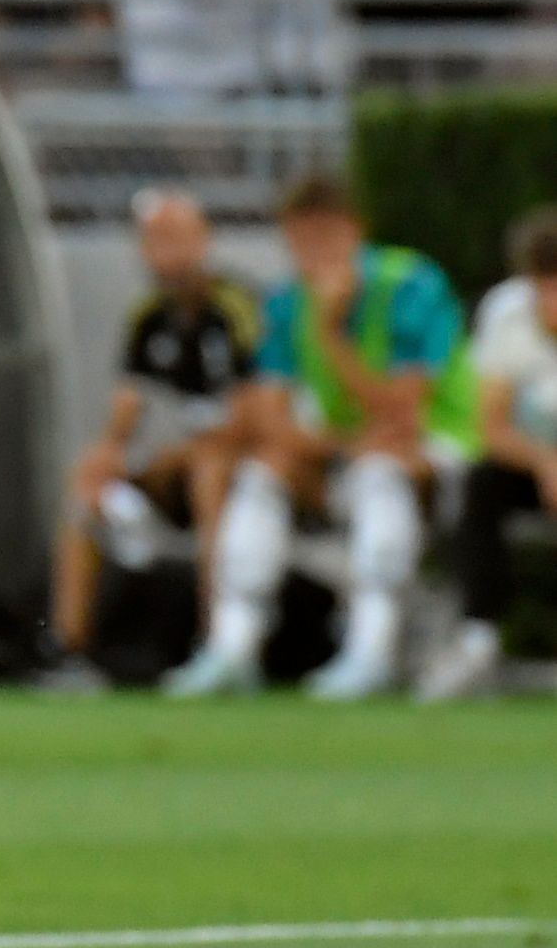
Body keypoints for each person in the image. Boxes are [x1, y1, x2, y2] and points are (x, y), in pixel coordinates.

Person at [167, 176, 477, 701]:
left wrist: (332, 335)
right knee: (264, 471)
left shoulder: (411, 285)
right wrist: (329, 446)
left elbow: (404, 412)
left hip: (440, 454)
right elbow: (271, 414)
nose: (311, 255)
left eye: (323, 239)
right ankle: (233, 645)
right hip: (348, 453)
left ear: (355, 232)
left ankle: (371, 651)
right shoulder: (288, 303)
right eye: (299, 243)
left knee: (381, 473)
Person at [49, 191, 258, 689]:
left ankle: (217, 644)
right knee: (87, 483)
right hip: (171, 470)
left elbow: (253, 416)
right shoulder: (147, 318)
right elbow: (126, 408)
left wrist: (183, 453)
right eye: (154, 241)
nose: (165, 253)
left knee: (210, 475)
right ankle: (67, 650)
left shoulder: (236, 308)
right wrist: (106, 458)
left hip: (235, 472)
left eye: (175, 239)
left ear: (203, 241)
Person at [424, 212, 557, 701]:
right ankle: (478, 638)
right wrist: (546, 463)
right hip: (529, 464)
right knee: (480, 484)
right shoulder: (505, 314)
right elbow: (491, 425)